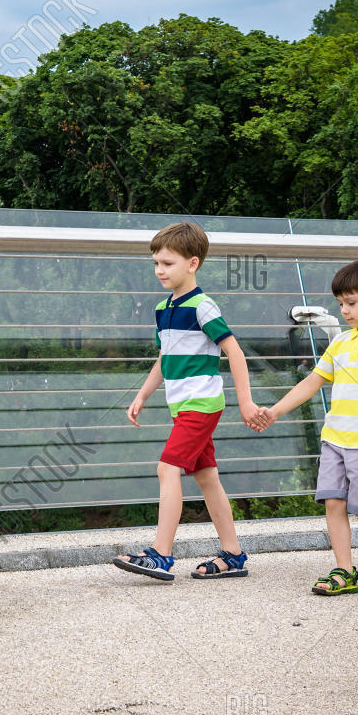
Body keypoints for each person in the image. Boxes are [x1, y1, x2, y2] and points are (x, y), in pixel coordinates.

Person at [252, 259, 358, 595]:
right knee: (333, 501)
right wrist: (274, 411)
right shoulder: (341, 343)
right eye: (341, 304)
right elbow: (312, 383)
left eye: (351, 302)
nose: (344, 310)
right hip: (334, 439)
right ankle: (344, 571)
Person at [113, 221, 263, 581]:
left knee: (168, 468)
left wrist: (246, 403)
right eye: (156, 263)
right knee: (207, 478)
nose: (159, 270)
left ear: (192, 263)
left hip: (202, 405)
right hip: (182, 408)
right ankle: (233, 555)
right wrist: (142, 394)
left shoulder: (202, 306)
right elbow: (165, 359)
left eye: (167, 263)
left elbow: (235, 352)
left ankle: (161, 556)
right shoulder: (163, 309)